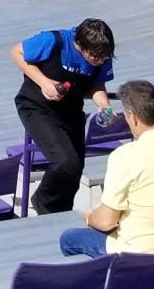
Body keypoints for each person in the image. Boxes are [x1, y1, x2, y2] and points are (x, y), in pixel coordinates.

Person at [57, 80, 154, 257]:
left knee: (69, 238)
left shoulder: (125, 155)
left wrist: (90, 217)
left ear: (133, 116)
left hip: (140, 259)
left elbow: (106, 221)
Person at [10, 18, 116, 214]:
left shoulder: (101, 55)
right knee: (65, 162)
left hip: (70, 112)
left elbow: (97, 85)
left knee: (75, 169)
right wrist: (44, 82)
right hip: (37, 107)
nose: (100, 61)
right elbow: (16, 52)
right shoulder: (54, 41)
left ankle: (61, 214)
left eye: (104, 57)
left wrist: (104, 106)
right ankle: (42, 202)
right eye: (95, 57)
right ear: (81, 45)